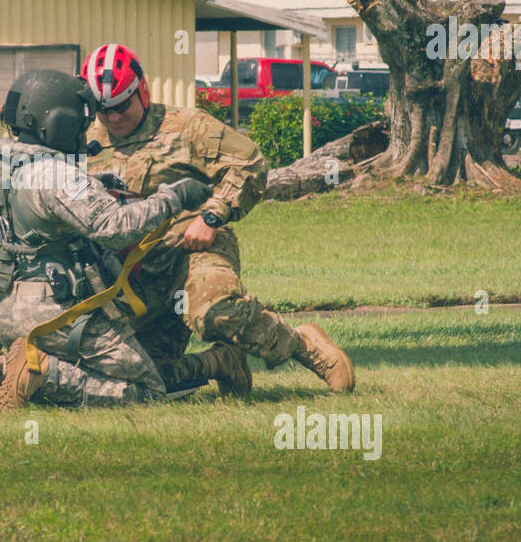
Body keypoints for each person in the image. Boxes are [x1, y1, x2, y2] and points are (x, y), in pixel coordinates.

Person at [0, 68, 243, 409]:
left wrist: (96, 183)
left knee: (96, 367)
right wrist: (174, 195)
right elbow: (117, 227)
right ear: (59, 123)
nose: (86, 130)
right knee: (147, 388)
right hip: (63, 313)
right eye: (81, 123)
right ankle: (42, 374)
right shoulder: (56, 176)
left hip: (7, 310)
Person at [80, 43, 356, 393]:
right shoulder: (84, 144)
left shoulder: (186, 127)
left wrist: (212, 216)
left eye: (122, 106)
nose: (114, 117)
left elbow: (251, 163)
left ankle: (304, 345)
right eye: (104, 110)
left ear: (142, 92)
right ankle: (222, 362)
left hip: (192, 254)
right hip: (132, 279)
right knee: (135, 377)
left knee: (215, 311)